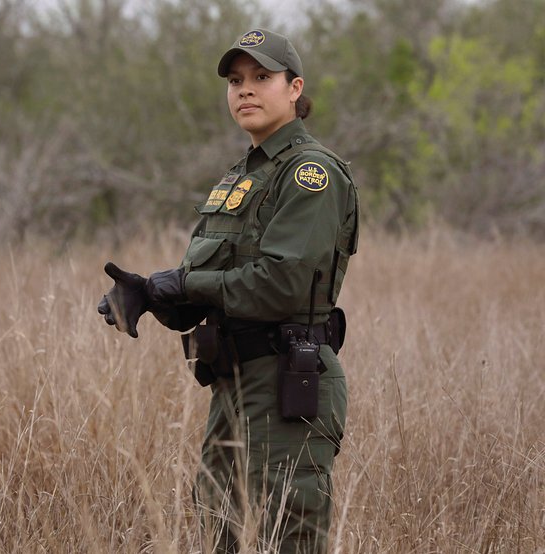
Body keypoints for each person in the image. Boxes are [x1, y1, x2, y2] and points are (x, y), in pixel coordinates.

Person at [98, 28, 359, 554]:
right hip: (231, 383)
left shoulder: (311, 174)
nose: (245, 89)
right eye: (236, 80)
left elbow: (282, 285)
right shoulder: (242, 175)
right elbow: (217, 280)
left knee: (290, 535)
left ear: (294, 88)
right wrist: (152, 295)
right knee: (217, 528)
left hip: (287, 379)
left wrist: (182, 282)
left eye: (262, 77)